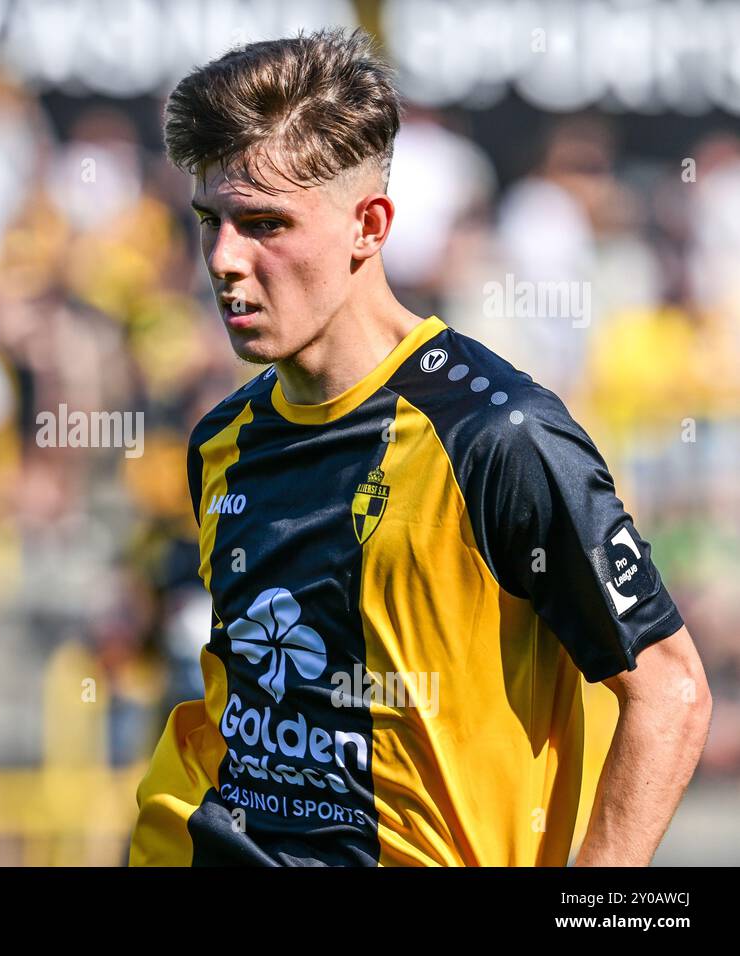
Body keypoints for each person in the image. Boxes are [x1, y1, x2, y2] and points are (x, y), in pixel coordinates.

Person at [129, 27, 712, 866]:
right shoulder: (223, 441)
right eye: (210, 221)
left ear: (369, 225)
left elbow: (671, 690)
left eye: (265, 223)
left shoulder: (497, 434)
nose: (225, 259)